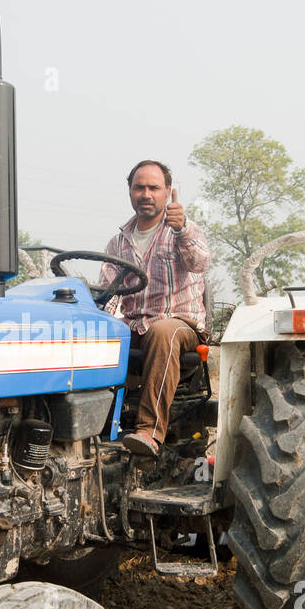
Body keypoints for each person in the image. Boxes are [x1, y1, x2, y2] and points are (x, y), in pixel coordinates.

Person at [99, 160, 210, 457]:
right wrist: (97, 325)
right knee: (95, 332)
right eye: (139, 187)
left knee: (163, 332)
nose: (146, 194)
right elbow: (110, 295)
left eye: (154, 188)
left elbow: (200, 263)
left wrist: (182, 228)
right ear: (131, 192)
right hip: (136, 325)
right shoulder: (118, 243)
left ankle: (149, 432)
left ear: (167, 192)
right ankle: (92, 426)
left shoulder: (184, 230)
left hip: (181, 324)